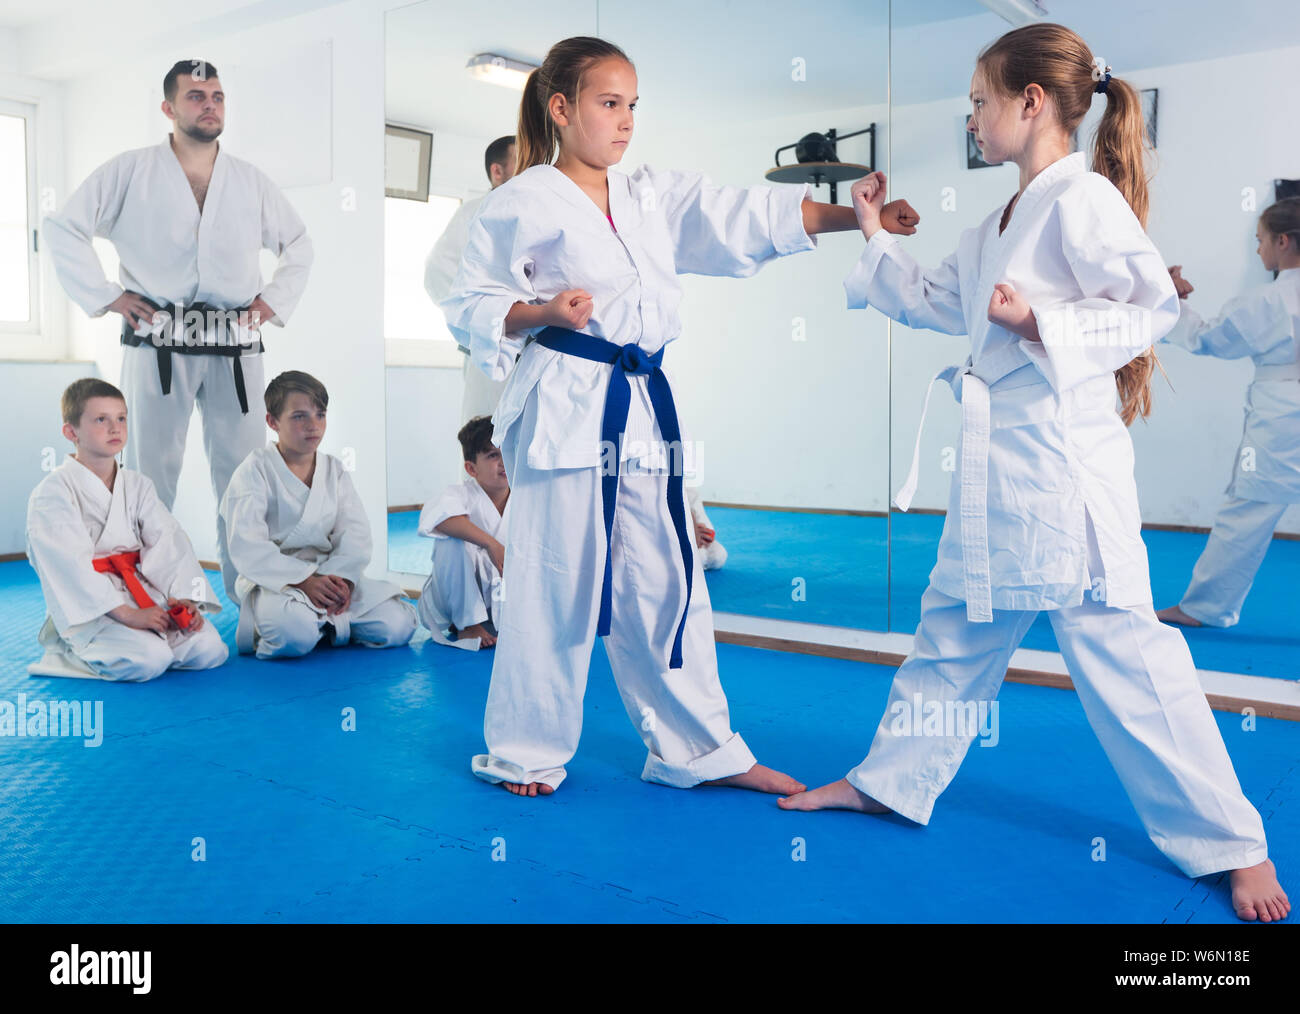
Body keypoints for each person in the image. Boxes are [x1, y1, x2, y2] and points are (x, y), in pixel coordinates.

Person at [778, 23, 1289, 924]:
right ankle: (890, 783)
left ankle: (1234, 845)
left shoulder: (1083, 201)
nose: (970, 117)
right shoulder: (999, 222)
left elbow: (1150, 306)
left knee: (1124, 656)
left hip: (1063, 472)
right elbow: (940, 302)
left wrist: (1035, 325)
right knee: (950, 636)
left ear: (1031, 102)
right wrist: (870, 235)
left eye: (979, 100)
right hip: (994, 471)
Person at [442, 36, 920, 797]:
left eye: (633, 105)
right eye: (608, 103)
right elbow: (468, 302)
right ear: (561, 109)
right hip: (568, 405)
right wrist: (539, 309)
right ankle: (525, 752)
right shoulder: (521, 201)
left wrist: (856, 216)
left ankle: (697, 750)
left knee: (671, 579)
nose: (626, 121)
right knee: (555, 582)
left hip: (640, 404)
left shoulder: (648, 195)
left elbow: (740, 218)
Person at [42, 59, 315, 602]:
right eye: (195, 96)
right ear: (169, 109)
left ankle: (251, 595)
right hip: (157, 341)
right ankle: (152, 593)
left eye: (216, 95)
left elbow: (300, 244)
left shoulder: (249, 180)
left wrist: (269, 302)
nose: (209, 104)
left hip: (234, 347)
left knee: (240, 478)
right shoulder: (131, 171)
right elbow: (63, 227)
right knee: (148, 476)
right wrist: (108, 296)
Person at [1156, 198, 1300, 629]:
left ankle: (1205, 608)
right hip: (1281, 409)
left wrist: (1170, 301)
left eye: (1260, 241)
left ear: (1283, 241)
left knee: (1248, 512)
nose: (1257, 251)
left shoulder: (1270, 301)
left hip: (1283, 416)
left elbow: (1206, 340)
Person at [26, 378, 227, 681]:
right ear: (71, 432)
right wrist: (128, 615)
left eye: (121, 418)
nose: (115, 428)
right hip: (92, 606)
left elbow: (167, 541)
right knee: (149, 661)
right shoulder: (52, 492)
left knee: (209, 650)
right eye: (100, 420)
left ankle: (146, 637)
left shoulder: (136, 484)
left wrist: (181, 597)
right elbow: (68, 566)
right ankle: (67, 651)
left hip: (143, 589)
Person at [219, 371, 416, 659]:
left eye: (320, 414)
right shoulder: (253, 471)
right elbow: (247, 546)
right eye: (299, 416)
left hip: (331, 574)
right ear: (272, 422)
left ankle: (324, 622)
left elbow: (355, 533)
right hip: (277, 581)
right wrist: (304, 580)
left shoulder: (334, 469)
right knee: (293, 633)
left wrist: (341, 580)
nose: (313, 425)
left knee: (398, 624)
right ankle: (318, 624)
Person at [424, 136, 517, 424]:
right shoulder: (473, 213)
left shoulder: (539, 214)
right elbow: (437, 272)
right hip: (492, 346)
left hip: (538, 350)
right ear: (497, 172)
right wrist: (485, 318)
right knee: (488, 438)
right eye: (521, 162)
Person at [416, 415, 509, 649]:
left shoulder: (527, 497)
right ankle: (468, 624)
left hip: (503, 601)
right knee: (452, 539)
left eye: (508, 451)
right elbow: (441, 519)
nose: (504, 461)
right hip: (453, 601)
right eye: (492, 455)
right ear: (471, 468)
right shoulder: (458, 493)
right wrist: (491, 544)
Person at [687, 486, 726, 570]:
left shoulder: (690, 491)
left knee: (719, 555)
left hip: (694, 542)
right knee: (697, 558)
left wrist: (701, 534)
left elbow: (709, 532)